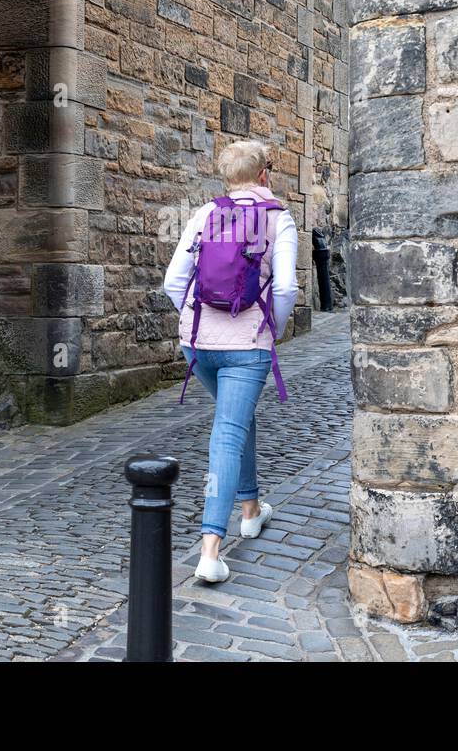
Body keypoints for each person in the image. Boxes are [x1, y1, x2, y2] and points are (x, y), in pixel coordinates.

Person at [163, 140, 299, 583]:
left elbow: (173, 281)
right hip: (247, 345)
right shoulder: (278, 218)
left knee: (236, 418)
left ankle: (251, 509)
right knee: (227, 433)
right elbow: (285, 290)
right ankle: (210, 551)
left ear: (227, 176)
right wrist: (270, 330)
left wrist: (190, 322)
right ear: (264, 174)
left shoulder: (206, 214)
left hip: (198, 344)